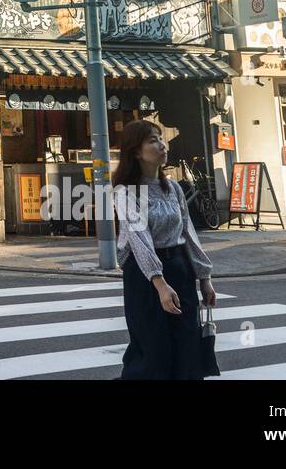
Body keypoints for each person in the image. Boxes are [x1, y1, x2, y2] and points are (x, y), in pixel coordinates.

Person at [112, 119, 216, 380]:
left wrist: (204, 277)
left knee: (187, 341)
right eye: (153, 140)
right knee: (153, 347)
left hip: (179, 269)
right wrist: (159, 283)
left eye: (161, 138)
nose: (162, 145)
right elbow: (139, 239)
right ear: (136, 151)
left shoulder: (173, 188)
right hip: (144, 277)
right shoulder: (126, 192)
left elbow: (188, 233)